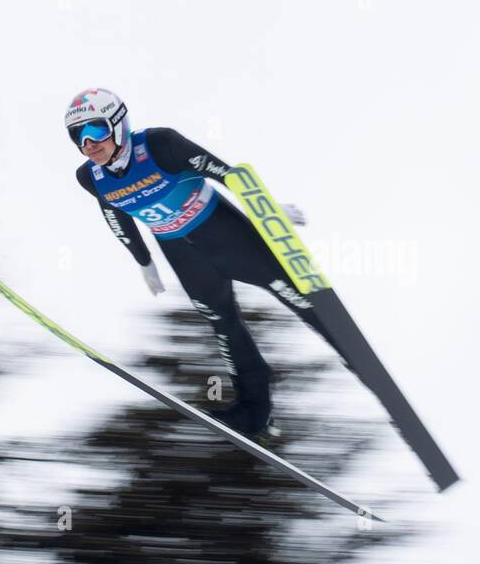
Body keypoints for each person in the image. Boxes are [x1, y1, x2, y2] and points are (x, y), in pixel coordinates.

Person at [65, 87, 352, 439]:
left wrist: (267, 209)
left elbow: (227, 174)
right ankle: (254, 412)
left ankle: (352, 353)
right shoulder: (90, 178)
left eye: (94, 130)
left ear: (118, 124)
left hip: (225, 234)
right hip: (183, 255)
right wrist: (143, 261)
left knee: (292, 292)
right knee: (224, 325)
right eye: (77, 136)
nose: (88, 143)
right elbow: (116, 216)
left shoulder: (160, 145)